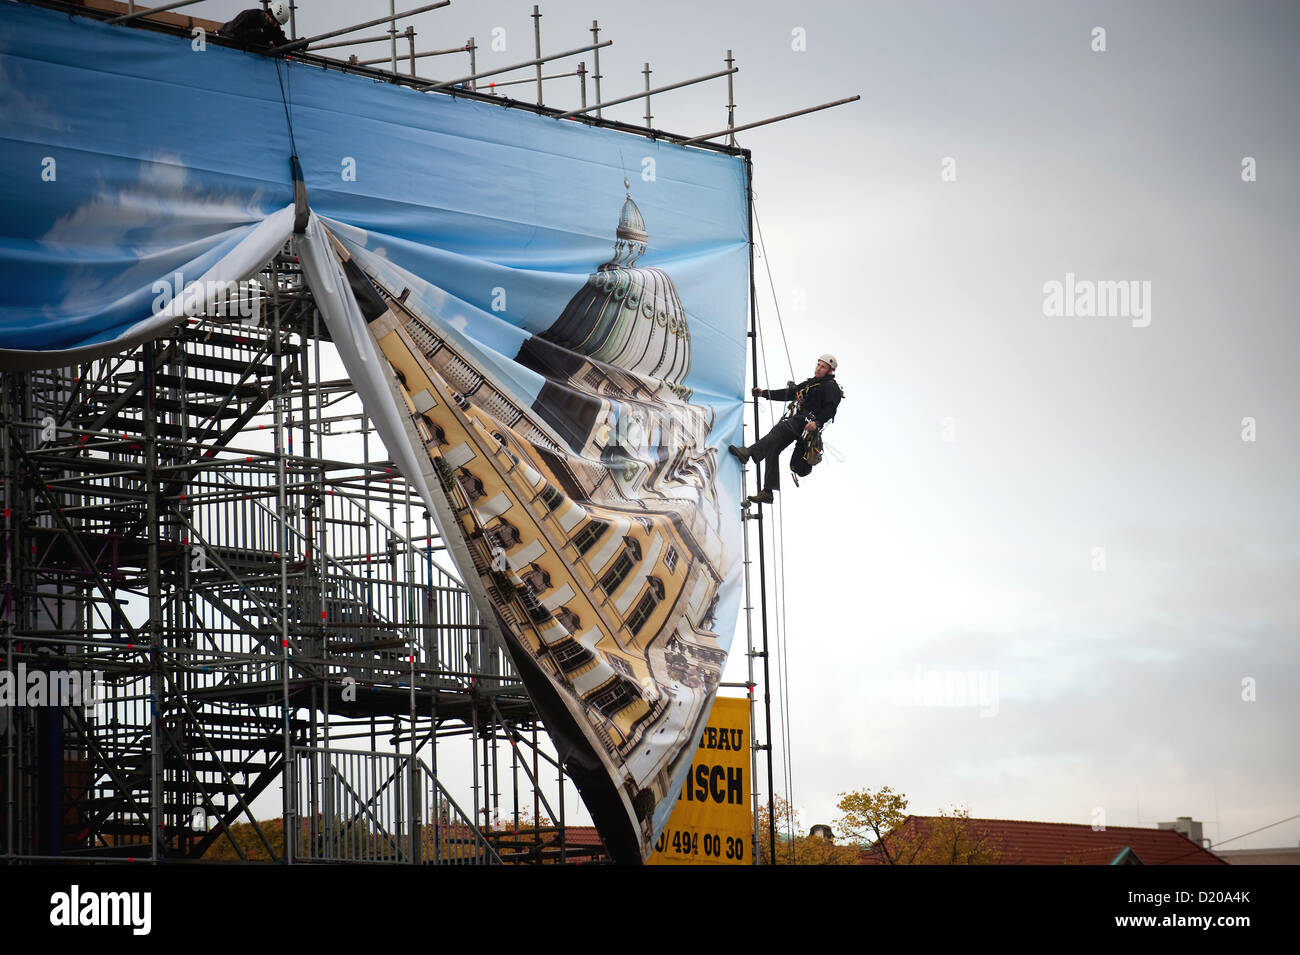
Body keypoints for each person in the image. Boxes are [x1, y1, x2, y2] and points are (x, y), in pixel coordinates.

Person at [728, 353, 842, 505]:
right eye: (818, 365)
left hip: (806, 424)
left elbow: (831, 409)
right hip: (800, 421)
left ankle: (748, 452)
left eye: (823, 367)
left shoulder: (830, 387)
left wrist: (817, 422)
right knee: (772, 448)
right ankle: (768, 492)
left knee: (780, 429)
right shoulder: (811, 384)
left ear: (830, 371)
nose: (819, 369)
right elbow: (789, 393)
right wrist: (764, 393)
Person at [217, 2, 292, 51]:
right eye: (274, 21)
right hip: (226, 44)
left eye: (279, 24)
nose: (276, 25)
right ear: (268, 15)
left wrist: (299, 42)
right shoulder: (250, 15)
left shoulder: (273, 27)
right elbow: (237, 34)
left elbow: (282, 42)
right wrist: (260, 31)